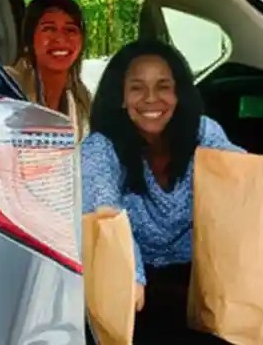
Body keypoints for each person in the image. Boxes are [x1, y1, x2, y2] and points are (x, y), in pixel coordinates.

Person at [80, 39, 242, 340]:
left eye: (163, 86)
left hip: (202, 285)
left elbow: (244, 175)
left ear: (178, 93)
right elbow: (105, 212)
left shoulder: (202, 131)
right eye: (137, 87)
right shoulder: (100, 148)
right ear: (120, 97)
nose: (151, 98)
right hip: (133, 290)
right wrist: (131, 277)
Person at [6, 0, 93, 137]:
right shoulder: (8, 85)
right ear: (29, 39)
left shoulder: (81, 99)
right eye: (49, 29)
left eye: (70, 30)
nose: (60, 39)